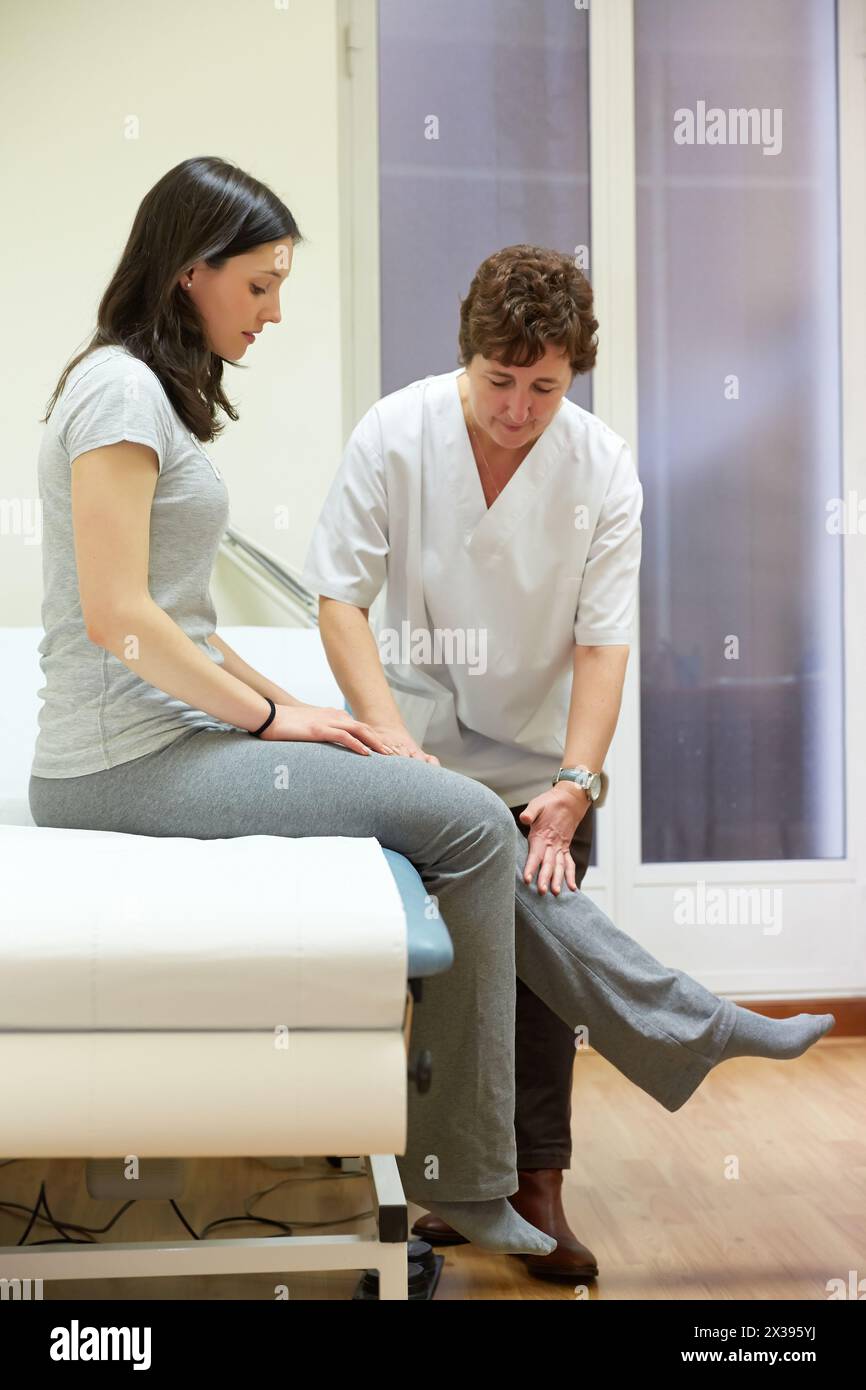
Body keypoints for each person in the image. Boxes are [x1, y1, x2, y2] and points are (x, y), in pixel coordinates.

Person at [28, 157, 835, 1282]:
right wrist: (275, 714)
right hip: (120, 763)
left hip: (192, 742)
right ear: (190, 271)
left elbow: (170, 617)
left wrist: (291, 710)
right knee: (464, 821)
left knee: (487, 840)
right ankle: (499, 1154)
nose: (272, 310)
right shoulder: (125, 392)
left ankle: (542, 1138)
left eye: (278, 285)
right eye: (259, 284)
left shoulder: (143, 391)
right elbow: (119, 617)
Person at [303, 243, 639, 1274]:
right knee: (431, 964)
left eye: (543, 388)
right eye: (499, 383)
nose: (517, 410)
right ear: (467, 360)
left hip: (541, 760)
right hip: (418, 745)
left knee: (537, 965)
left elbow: (601, 640)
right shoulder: (395, 436)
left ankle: (534, 1186)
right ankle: (451, 1182)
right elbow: (338, 597)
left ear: (570, 374)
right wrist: (390, 739)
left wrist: (573, 788)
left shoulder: (601, 467)